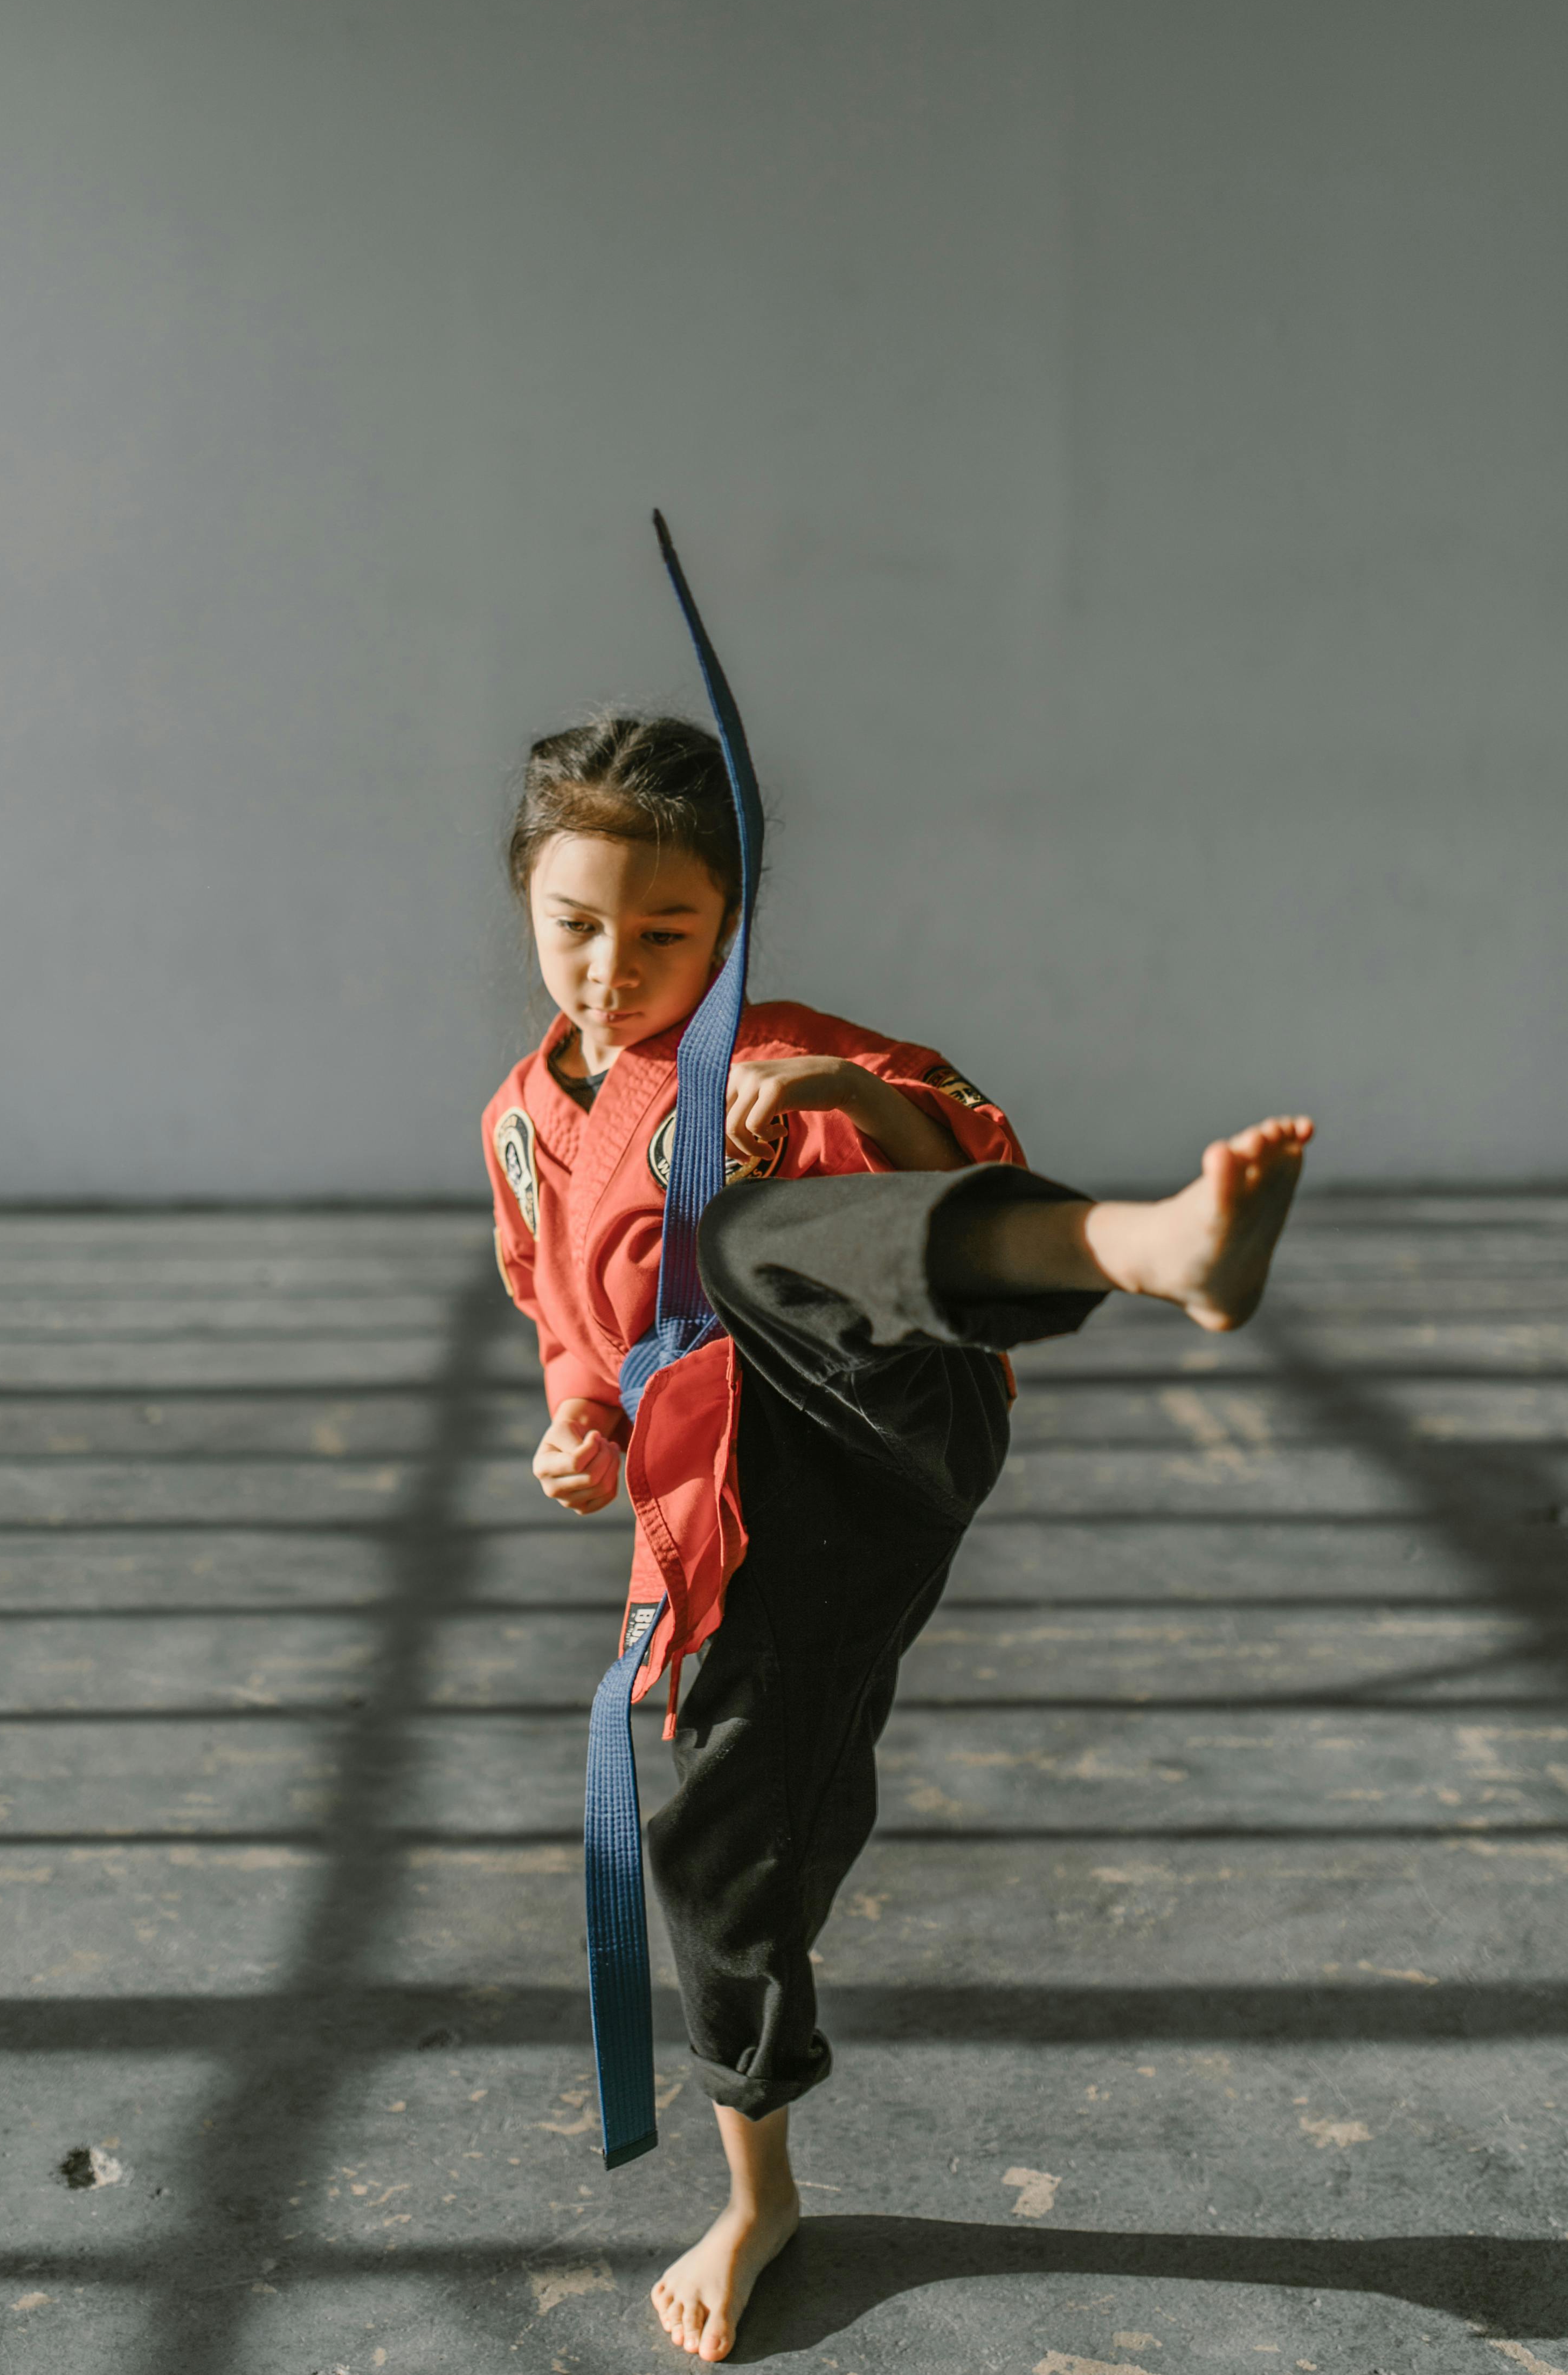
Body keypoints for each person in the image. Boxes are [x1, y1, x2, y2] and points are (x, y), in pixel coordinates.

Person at [481, 710, 1312, 2364]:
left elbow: (958, 1159)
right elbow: (567, 1318)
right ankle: (758, 2196)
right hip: (746, 1511)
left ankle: (1151, 1246)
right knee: (716, 1849)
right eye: (576, 925)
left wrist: (843, 1095)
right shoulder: (518, 1118)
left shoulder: (782, 1052)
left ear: (732, 923)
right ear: (527, 902)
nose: (612, 970)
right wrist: (579, 1427)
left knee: (753, 1231)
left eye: (666, 933)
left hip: (890, 1416)